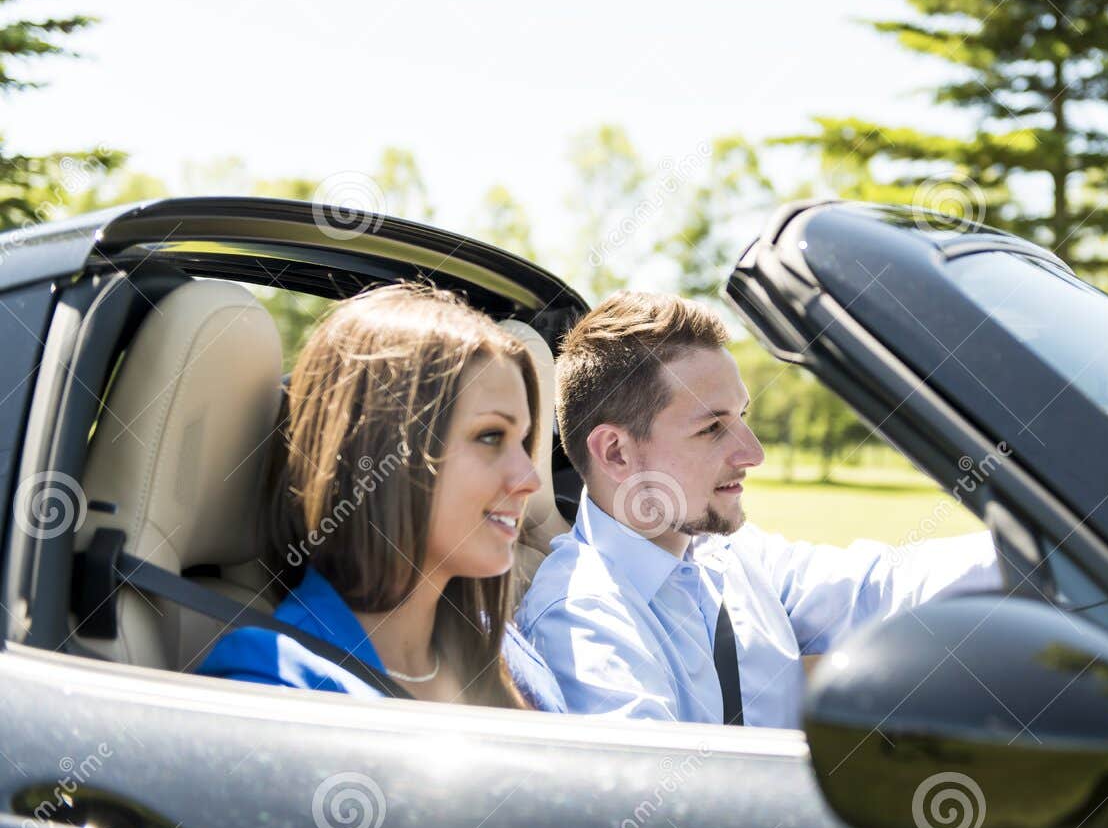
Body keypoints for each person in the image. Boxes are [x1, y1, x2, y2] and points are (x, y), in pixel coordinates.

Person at [516, 291, 999, 727]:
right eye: (711, 428)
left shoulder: (733, 557)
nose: (753, 453)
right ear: (616, 453)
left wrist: (1051, 546)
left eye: (742, 417)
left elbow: (879, 585)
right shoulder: (582, 619)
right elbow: (662, 810)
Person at [201, 284, 565, 711]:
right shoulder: (275, 684)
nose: (528, 479)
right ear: (382, 449)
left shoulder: (512, 659)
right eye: (490, 437)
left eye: (524, 442)